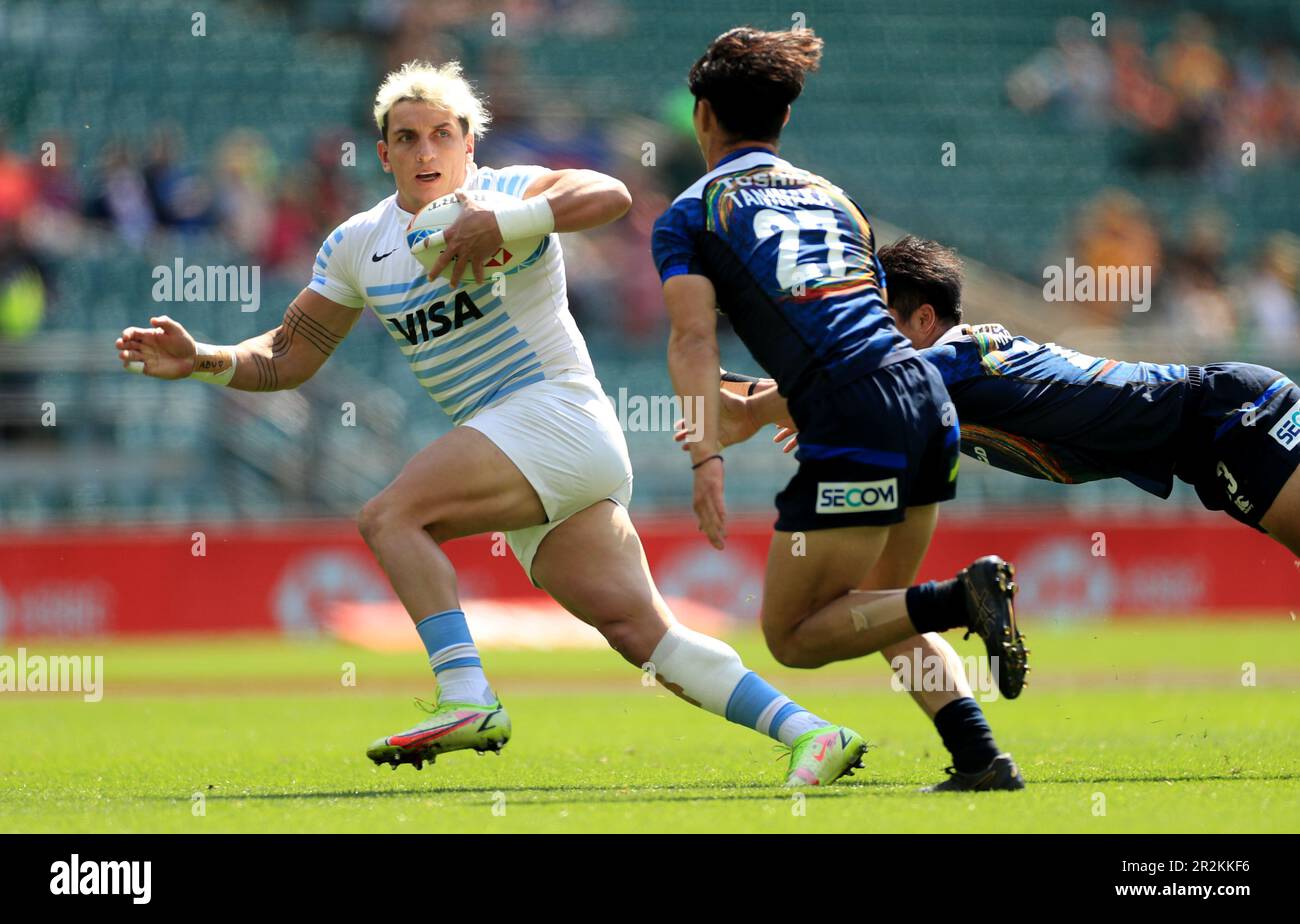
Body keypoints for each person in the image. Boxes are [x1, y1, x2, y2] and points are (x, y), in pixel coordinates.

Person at [114, 59, 867, 787]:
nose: (426, 150)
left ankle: (468, 697)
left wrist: (508, 219)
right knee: (646, 636)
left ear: (469, 143)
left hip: (556, 414)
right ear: (384, 154)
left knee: (390, 516)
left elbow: (607, 194)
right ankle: (812, 731)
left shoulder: (503, 192)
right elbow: (288, 355)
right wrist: (206, 357)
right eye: (406, 138)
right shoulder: (355, 245)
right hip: (534, 451)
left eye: (442, 133)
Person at [653, 28, 1027, 792]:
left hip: (858, 412)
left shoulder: (692, 214)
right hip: (925, 399)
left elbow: (693, 335)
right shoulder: (840, 201)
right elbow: (851, 323)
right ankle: (982, 758)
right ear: (784, 120)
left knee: (793, 636)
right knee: (886, 606)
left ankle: (965, 596)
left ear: (701, 117)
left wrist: (705, 455)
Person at [740, 234, 1300, 557]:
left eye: (876, 320)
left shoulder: (955, 361)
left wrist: (751, 406)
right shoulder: (940, 385)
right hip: (1203, 449)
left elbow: (860, 392)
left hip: (1231, 413)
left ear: (925, 319)